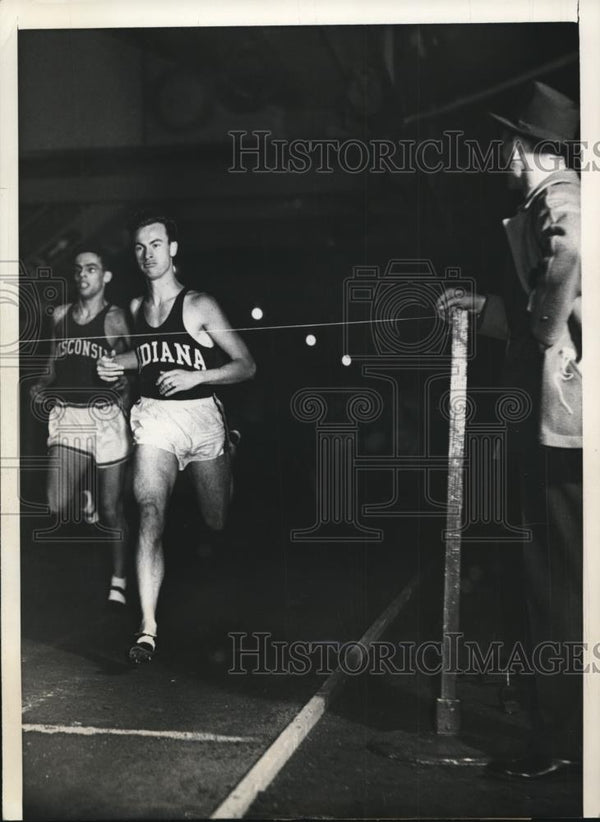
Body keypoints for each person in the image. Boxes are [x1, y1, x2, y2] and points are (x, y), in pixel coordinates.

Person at [436, 82, 582, 779]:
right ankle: (560, 727)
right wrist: (490, 307)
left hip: (566, 423)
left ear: (524, 147)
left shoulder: (560, 198)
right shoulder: (545, 201)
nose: (500, 152)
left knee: (553, 581)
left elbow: (570, 256)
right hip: (569, 422)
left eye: (506, 141)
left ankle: (556, 742)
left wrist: (539, 328)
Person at [97, 213, 256, 664]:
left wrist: (195, 377)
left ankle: (231, 446)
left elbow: (247, 364)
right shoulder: (133, 309)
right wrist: (118, 364)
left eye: (156, 244)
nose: (148, 254)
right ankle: (147, 627)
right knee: (149, 510)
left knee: (216, 518)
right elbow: (146, 355)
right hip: (156, 419)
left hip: (203, 418)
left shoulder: (199, 304)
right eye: (140, 247)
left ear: (173, 249)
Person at [30, 249, 132, 605]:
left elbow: (131, 368)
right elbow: (52, 364)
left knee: (110, 510)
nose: (83, 275)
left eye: (91, 269)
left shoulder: (116, 318)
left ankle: (118, 578)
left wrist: (124, 392)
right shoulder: (60, 316)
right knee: (56, 504)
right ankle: (83, 490)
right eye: (78, 270)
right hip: (70, 415)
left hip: (104, 418)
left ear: (105, 276)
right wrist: (40, 386)